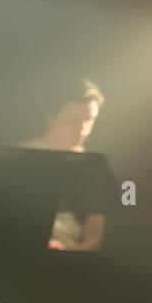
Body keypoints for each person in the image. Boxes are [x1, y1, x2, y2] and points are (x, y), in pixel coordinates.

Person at [18, 77, 107, 251]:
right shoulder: (21, 157)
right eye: (73, 119)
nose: (81, 129)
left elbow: (94, 237)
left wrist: (67, 253)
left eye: (88, 120)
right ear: (51, 117)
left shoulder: (92, 169)